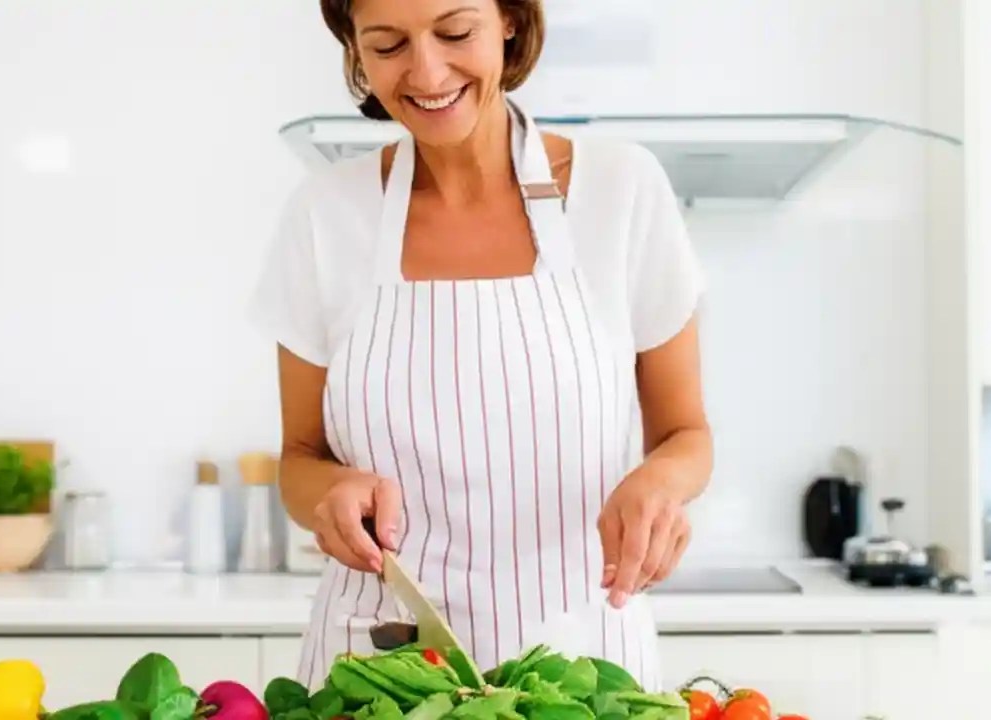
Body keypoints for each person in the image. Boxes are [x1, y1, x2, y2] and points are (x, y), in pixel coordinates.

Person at [250, 0, 713, 691]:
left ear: (510, 22)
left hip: (583, 671)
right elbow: (299, 460)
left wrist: (657, 485)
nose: (426, 70)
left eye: (455, 31)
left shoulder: (621, 190)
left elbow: (686, 434)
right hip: (381, 668)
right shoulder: (325, 214)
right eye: (387, 45)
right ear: (355, 52)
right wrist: (333, 493)